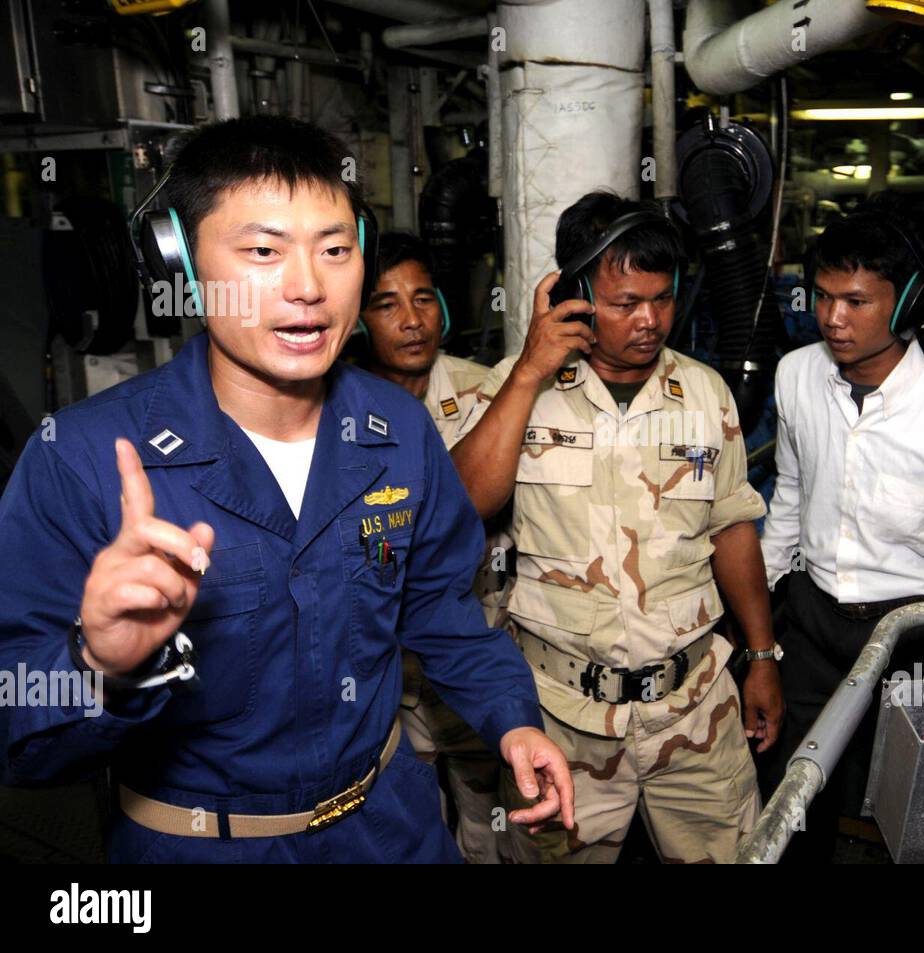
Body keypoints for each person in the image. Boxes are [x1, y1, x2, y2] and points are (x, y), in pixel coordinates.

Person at [0, 115, 572, 862]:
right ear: (179, 263)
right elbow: (18, 731)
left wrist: (512, 719)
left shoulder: (397, 429)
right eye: (263, 251)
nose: (308, 288)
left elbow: (439, 608)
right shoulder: (79, 460)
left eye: (335, 251)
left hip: (390, 830)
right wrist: (99, 664)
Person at [451, 191, 782, 863]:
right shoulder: (513, 390)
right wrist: (529, 372)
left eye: (662, 299)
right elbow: (463, 501)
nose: (651, 320)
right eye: (626, 302)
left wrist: (763, 656)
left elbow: (733, 528)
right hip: (560, 721)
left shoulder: (706, 393)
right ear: (573, 293)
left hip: (694, 710)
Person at [760, 205, 924, 863]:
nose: (833, 318)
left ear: (905, 301)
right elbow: (788, 500)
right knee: (793, 807)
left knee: (911, 818)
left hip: (916, 636)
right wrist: (758, 633)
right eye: (823, 297)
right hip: (814, 623)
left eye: (856, 300)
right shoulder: (797, 375)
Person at [358, 231, 512, 863]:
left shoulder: (490, 397)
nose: (412, 319)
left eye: (423, 299)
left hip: (476, 648)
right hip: (385, 670)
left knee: (493, 828)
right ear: (358, 318)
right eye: (387, 303)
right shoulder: (336, 407)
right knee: (402, 830)